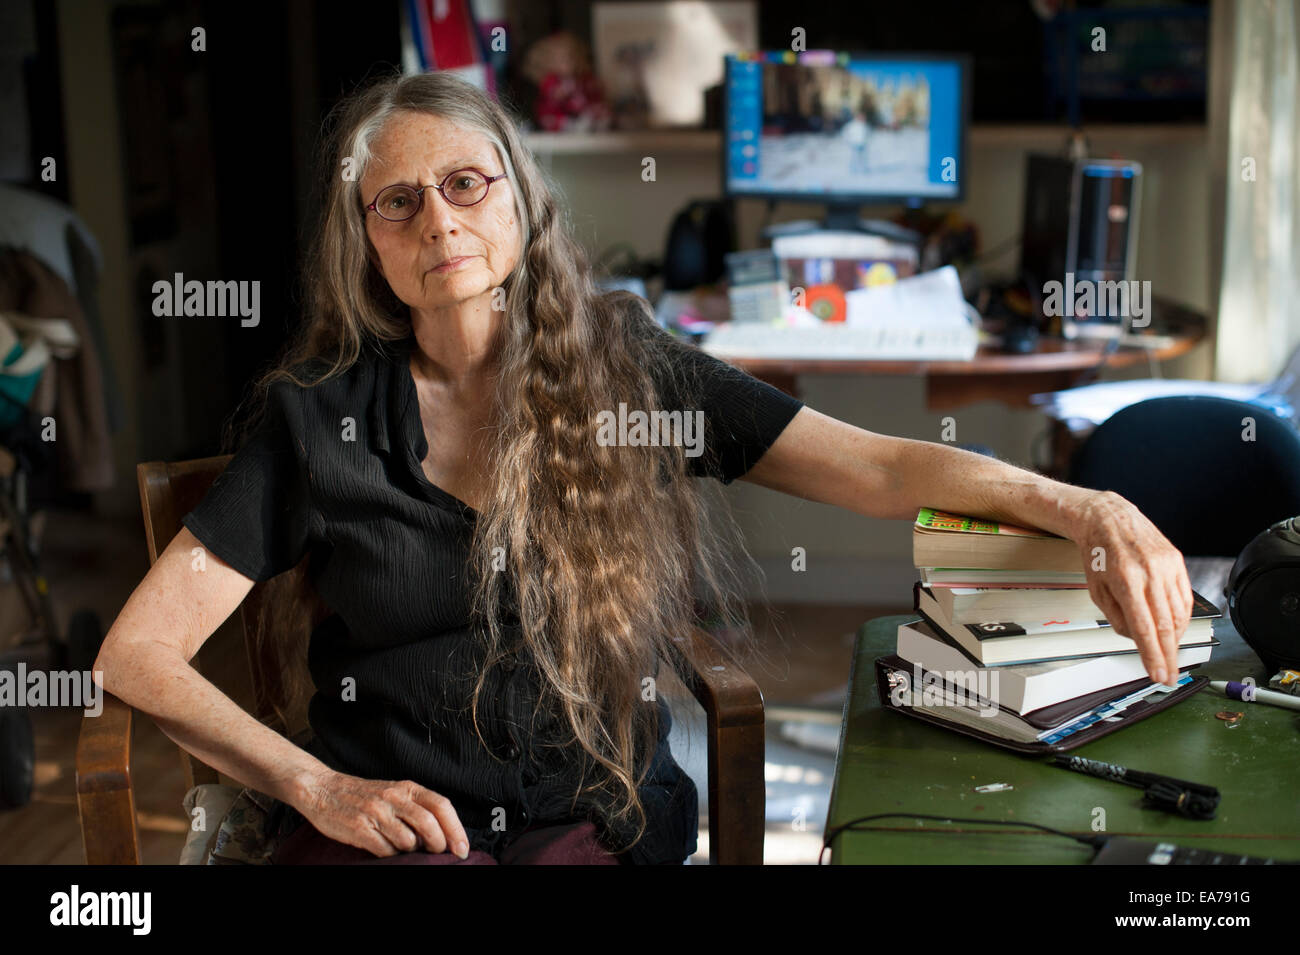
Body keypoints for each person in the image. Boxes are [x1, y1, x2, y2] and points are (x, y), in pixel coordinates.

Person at [94, 71, 1194, 866]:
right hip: (395, 826)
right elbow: (137, 654)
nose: (437, 218)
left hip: (589, 815)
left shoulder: (628, 368)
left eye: (466, 183)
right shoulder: (312, 424)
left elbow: (867, 470)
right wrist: (315, 786)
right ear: (369, 242)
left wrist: (1083, 502)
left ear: (519, 198)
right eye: (399, 201)